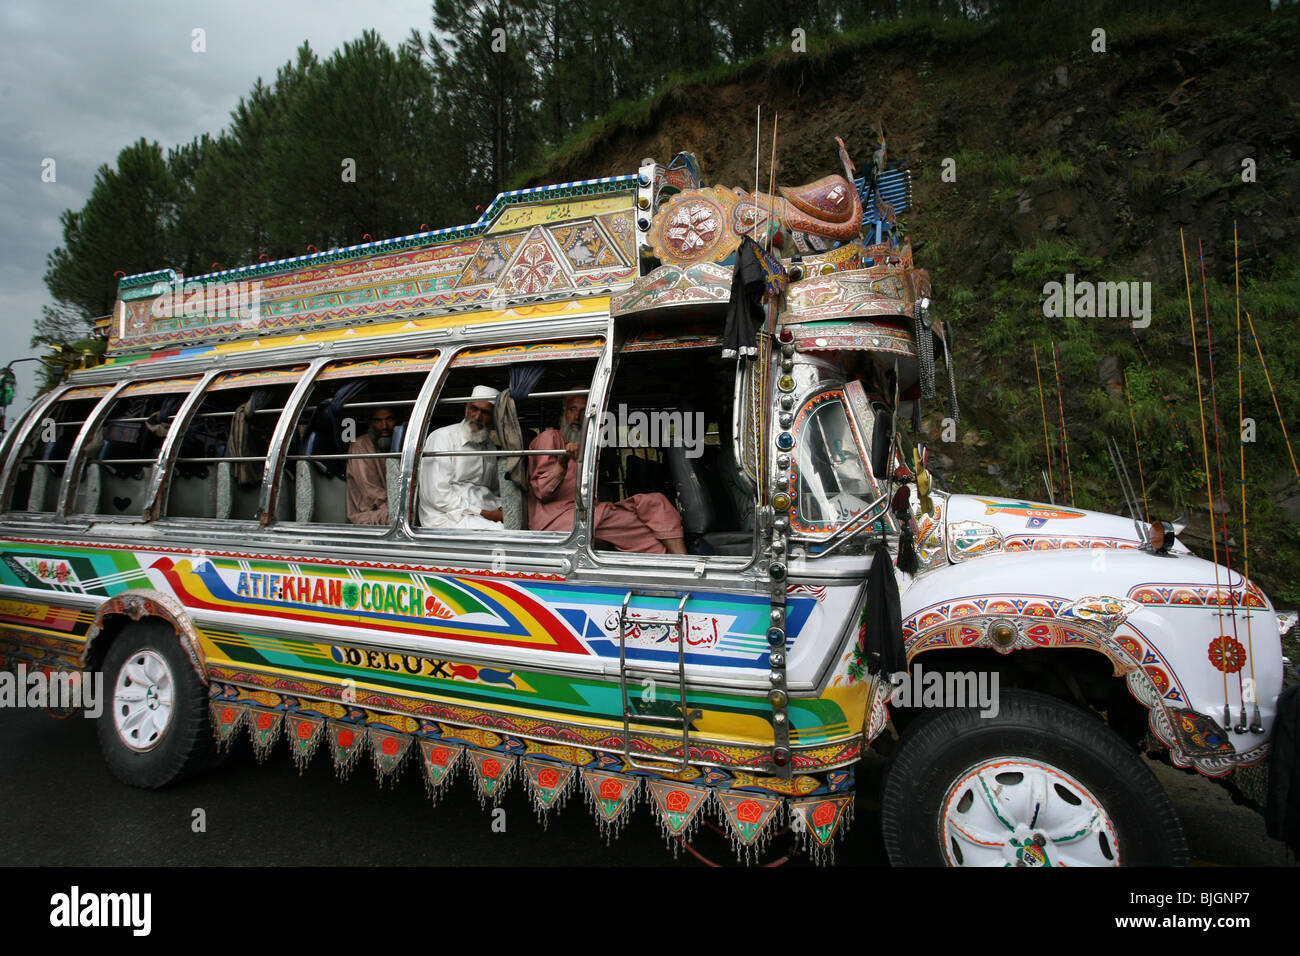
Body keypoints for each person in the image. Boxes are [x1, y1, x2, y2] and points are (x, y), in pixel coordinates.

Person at [528, 394, 687, 553]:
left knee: (656, 502)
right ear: (564, 414)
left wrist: (599, 504)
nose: (577, 417)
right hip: (555, 520)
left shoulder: (586, 447)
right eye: (572, 410)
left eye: (584, 412)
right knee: (628, 523)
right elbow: (541, 491)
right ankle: (673, 563)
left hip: (583, 512)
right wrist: (562, 462)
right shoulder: (550, 438)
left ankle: (683, 559)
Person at [419, 385, 503, 529]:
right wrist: (484, 513)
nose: (477, 417)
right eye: (474, 409)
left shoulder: (489, 446)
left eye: (485, 412)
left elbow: (492, 490)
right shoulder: (442, 438)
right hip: (447, 516)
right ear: (466, 408)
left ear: (493, 417)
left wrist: (500, 509)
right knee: (501, 532)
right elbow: (438, 496)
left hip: (482, 511)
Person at [346, 406, 396, 525]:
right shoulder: (360, 446)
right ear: (371, 423)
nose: (384, 426)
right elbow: (371, 491)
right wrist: (398, 505)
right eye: (378, 421)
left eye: (389, 419)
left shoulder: (401, 443)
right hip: (369, 512)